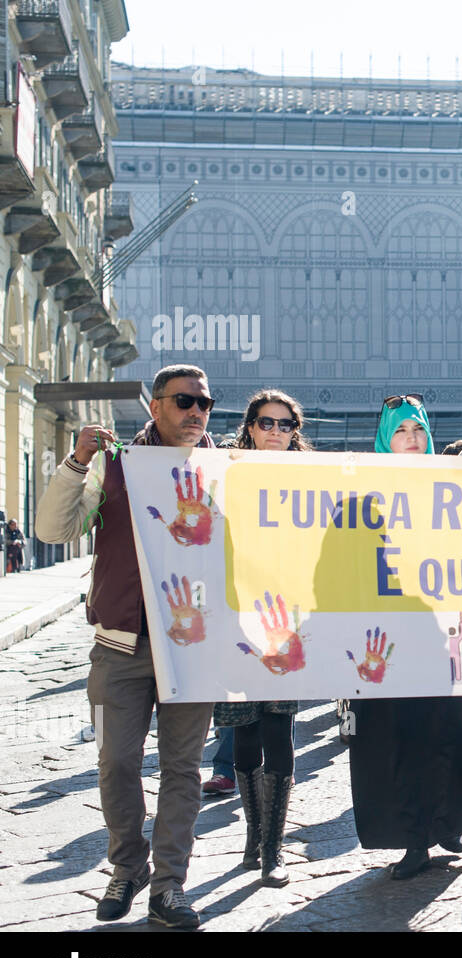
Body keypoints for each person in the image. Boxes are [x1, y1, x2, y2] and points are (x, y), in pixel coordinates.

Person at [35, 364, 216, 928]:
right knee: (115, 763)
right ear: (155, 406)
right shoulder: (114, 465)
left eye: (205, 403)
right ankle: (127, 866)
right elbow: (51, 531)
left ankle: (169, 886)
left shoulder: (226, 470)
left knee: (182, 769)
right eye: (185, 400)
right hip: (120, 643)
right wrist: (77, 462)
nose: (197, 412)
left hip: (192, 647)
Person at [346, 394, 462, 879]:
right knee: (400, 738)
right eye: (401, 431)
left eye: (419, 431)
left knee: (449, 731)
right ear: (386, 436)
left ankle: (448, 822)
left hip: (444, 632)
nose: (411, 439)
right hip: (386, 636)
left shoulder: (450, 487)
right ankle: (413, 837)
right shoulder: (362, 490)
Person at [214, 389, 312, 887]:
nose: (275, 432)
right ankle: (252, 837)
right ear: (250, 426)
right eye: (266, 423)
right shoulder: (222, 473)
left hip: (285, 622)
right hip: (234, 622)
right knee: (243, 729)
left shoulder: (310, 481)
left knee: (279, 728)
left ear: (296, 432)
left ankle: (273, 848)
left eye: (285, 425)